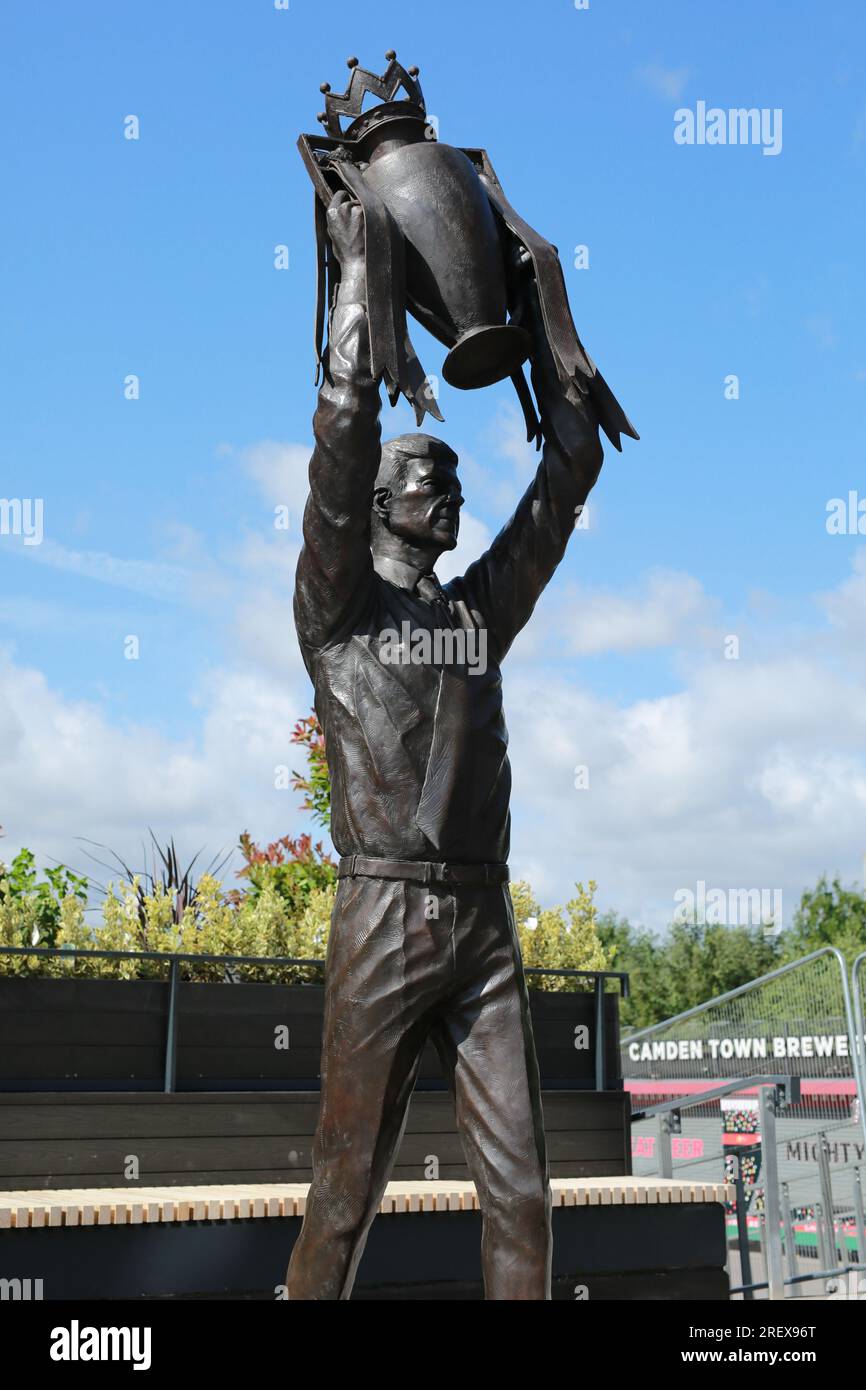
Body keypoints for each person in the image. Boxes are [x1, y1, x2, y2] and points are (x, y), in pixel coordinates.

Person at [286, 189, 604, 1299]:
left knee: (520, 1191)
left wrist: (543, 306)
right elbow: (341, 431)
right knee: (344, 1191)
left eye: (459, 482)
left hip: (481, 920)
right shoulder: (337, 610)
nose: (456, 494)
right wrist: (357, 289)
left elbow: (561, 488)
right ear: (375, 502)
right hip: (381, 914)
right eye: (433, 478)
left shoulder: (475, 615)